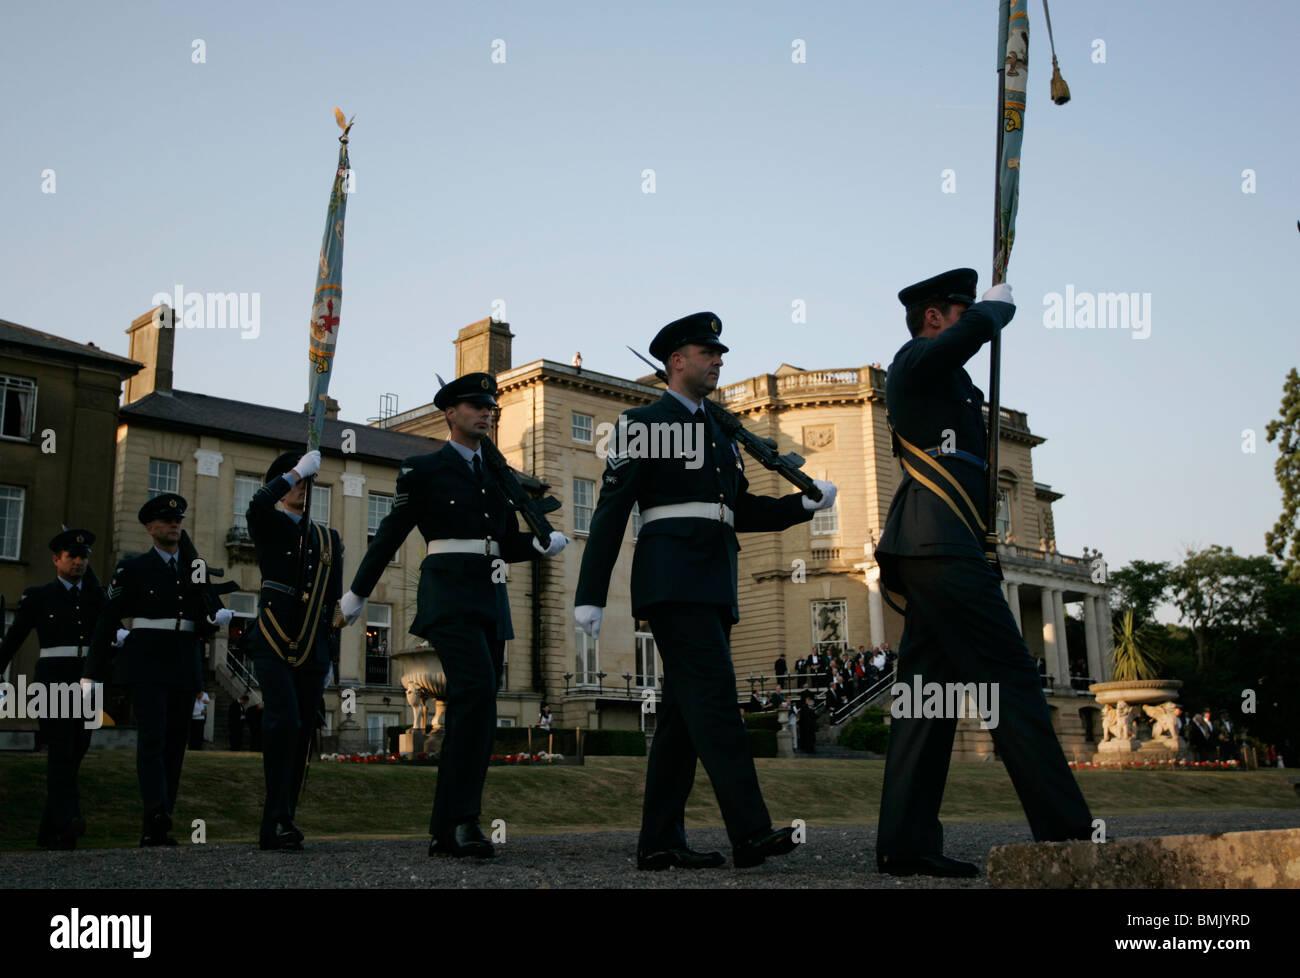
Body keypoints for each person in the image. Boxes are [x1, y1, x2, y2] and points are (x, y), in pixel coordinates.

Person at [573, 311, 837, 871]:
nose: (719, 360)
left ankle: (660, 841)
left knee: (681, 718)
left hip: (713, 583)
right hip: (672, 582)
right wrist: (589, 593)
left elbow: (737, 510)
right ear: (676, 361)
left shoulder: (720, 430)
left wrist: (801, 505)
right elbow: (611, 511)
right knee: (716, 703)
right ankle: (751, 832)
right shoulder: (641, 423)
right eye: (708, 352)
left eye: (720, 353)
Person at [871, 269, 1094, 877]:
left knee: (926, 698)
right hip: (936, 543)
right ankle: (1067, 833)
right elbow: (958, 344)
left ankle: (906, 842)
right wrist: (992, 315)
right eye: (959, 309)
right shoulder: (914, 361)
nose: (970, 316)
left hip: (941, 544)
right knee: (1011, 681)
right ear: (935, 317)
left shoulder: (953, 382)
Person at [338, 372, 568, 858]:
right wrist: (357, 594)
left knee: (479, 712)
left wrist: (539, 545)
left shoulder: (498, 473)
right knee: (478, 693)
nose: (486, 413)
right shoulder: (422, 469)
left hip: (491, 598)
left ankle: (451, 826)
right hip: (448, 597)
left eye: (490, 407)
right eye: (475, 406)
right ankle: (460, 822)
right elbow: (391, 533)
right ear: (450, 413)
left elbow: (503, 542)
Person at [85, 493, 233, 846]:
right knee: (152, 740)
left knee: (175, 745)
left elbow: (200, 618)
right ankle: (153, 816)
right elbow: (108, 617)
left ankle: (164, 814)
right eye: (167, 521)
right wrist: (90, 672)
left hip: (183, 662)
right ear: (151, 528)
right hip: (147, 661)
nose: (174, 525)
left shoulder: (194, 568)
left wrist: (213, 620)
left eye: (178, 520)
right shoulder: (133, 568)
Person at [244, 449, 342, 851]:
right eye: (294, 481)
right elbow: (256, 503)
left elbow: (331, 602)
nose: (301, 487)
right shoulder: (268, 522)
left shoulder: (327, 538)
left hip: (313, 643)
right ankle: (276, 818)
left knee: (302, 731)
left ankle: (284, 819)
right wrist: (292, 472)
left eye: (305, 481)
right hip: (273, 635)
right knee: (282, 721)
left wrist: (332, 656)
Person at [0, 529, 106, 849]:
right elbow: (14, 639)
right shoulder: (39, 596)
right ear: (55, 559)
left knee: (75, 754)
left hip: (87, 682)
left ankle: (51, 833)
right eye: (71, 556)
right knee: (60, 751)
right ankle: (69, 818)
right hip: (53, 682)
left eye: (83, 556)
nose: (78, 562)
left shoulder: (95, 597)